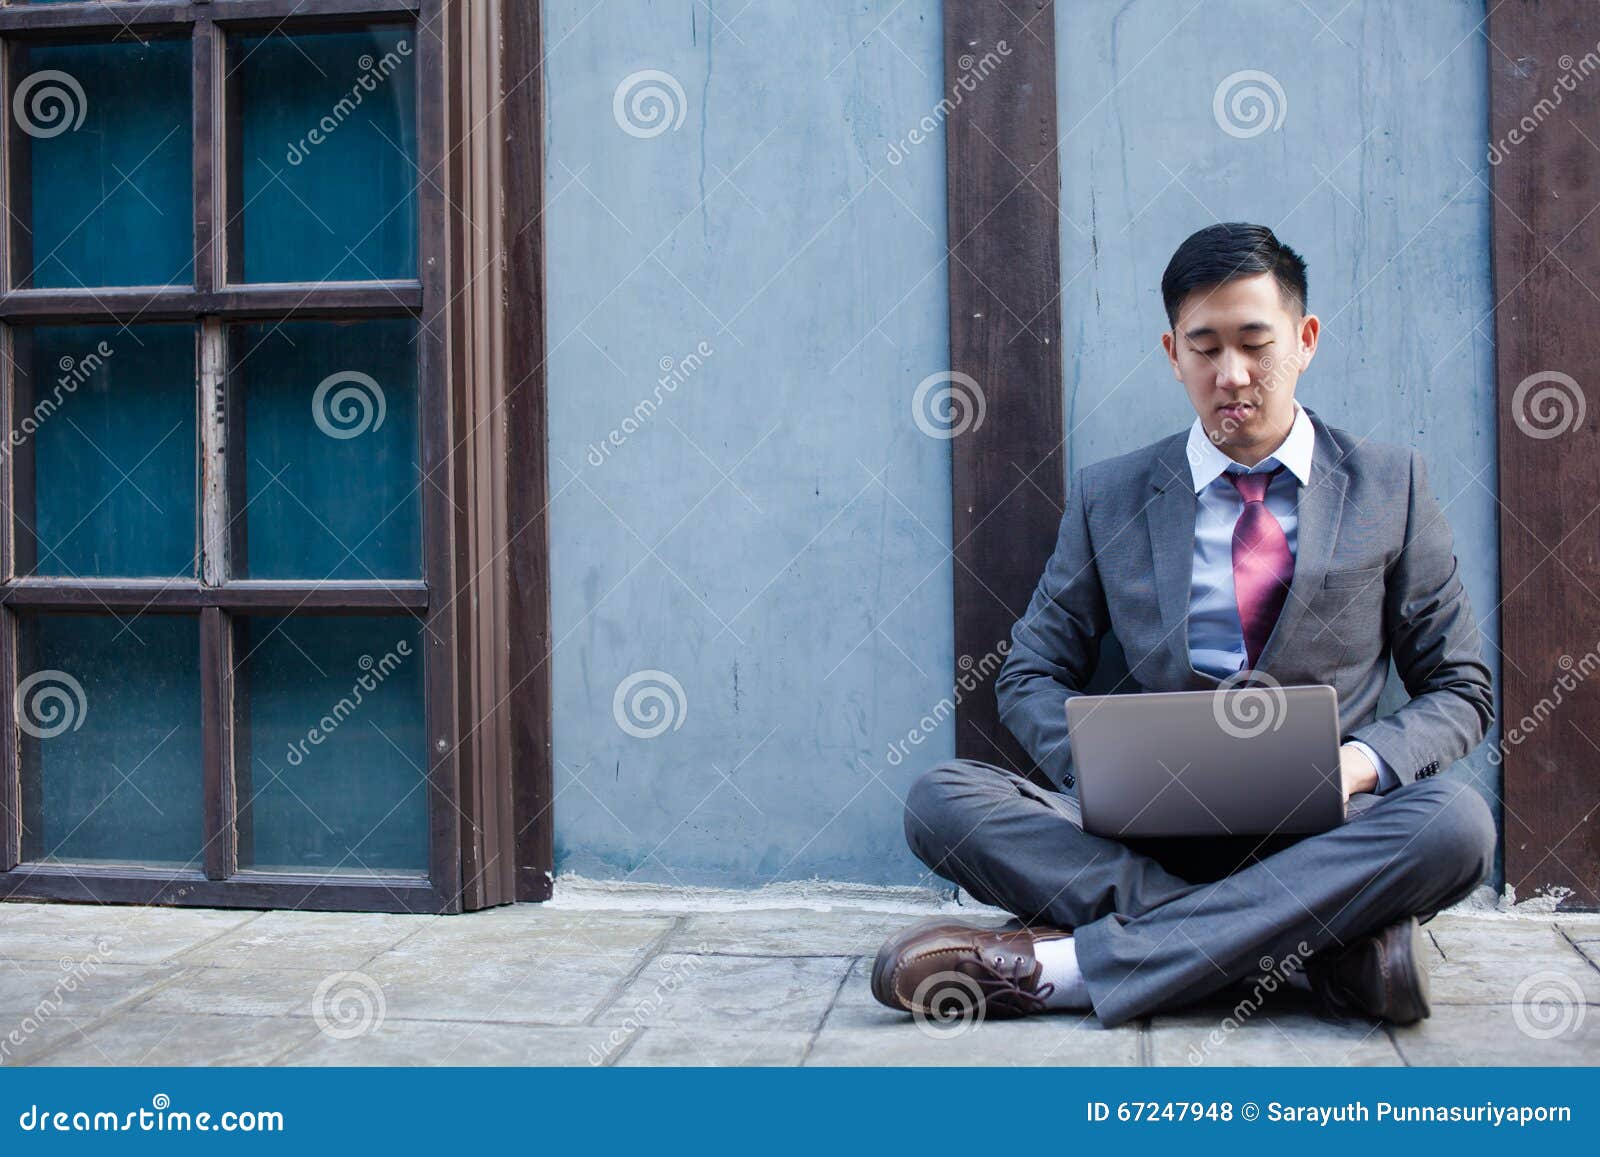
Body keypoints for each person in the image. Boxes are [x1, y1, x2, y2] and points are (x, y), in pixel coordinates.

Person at [872, 222, 1496, 1029]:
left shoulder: (1389, 485)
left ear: (1305, 340)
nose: (1231, 374)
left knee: (1455, 824)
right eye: (1205, 348)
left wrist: (1355, 765)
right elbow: (1029, 672)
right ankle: (1324, 950)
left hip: (1325, 832)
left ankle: (1073, 968)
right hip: (1149, 830)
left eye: (1255, 344)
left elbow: (1460, 686)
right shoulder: (1112, 496)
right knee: (941, 800)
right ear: (1173, 354)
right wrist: (1103, 769)